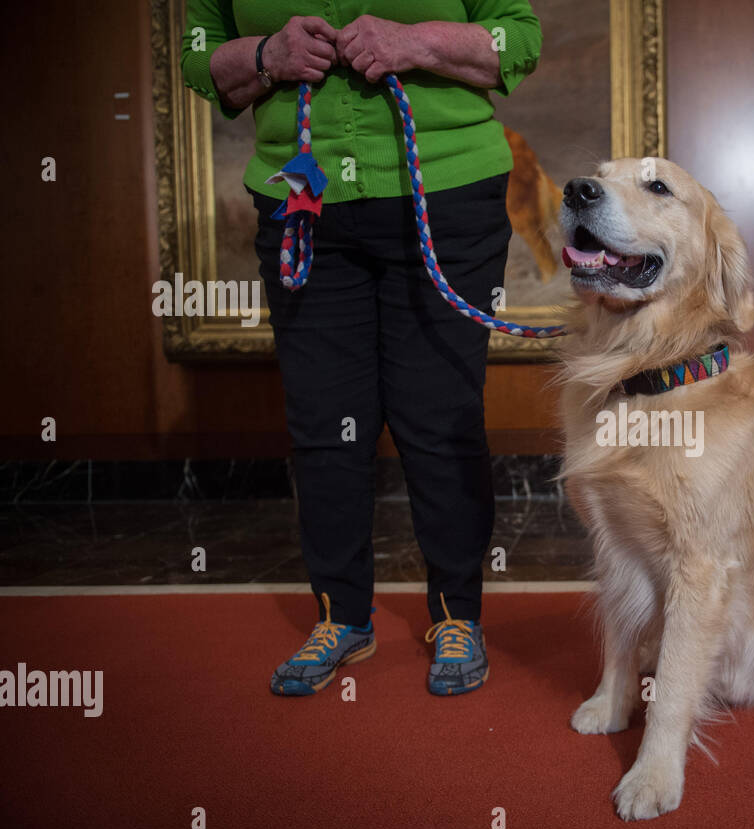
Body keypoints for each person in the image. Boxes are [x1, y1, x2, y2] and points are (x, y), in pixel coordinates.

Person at [181, 2, 541, 697]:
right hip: (302, 193)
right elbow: (203, 58)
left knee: (439, 419)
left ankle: (456, 614)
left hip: (446, 191)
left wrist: (417, 42)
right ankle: (341, 615)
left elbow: (517, 41)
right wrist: (267, 56)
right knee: (324, 421)